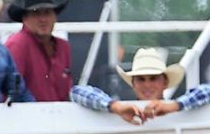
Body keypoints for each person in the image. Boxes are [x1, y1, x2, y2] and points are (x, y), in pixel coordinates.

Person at [71, 48, 210, 123]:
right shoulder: (123, 108)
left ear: (165, 82)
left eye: (153, 78)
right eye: (141, 79)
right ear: (133, 83)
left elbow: (207, 90)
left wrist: (174, 106)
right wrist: (115, 106)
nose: (147, 85)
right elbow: (76, 92)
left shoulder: (177, 107)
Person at [5, 0, 73, 102]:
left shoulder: (63, 47)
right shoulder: (17, 45)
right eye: (36, 13)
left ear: (55, 17)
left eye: (47, 13)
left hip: (60, 116)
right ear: (25, 18)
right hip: (27, 117)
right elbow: (10, 94)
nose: (43, 19)